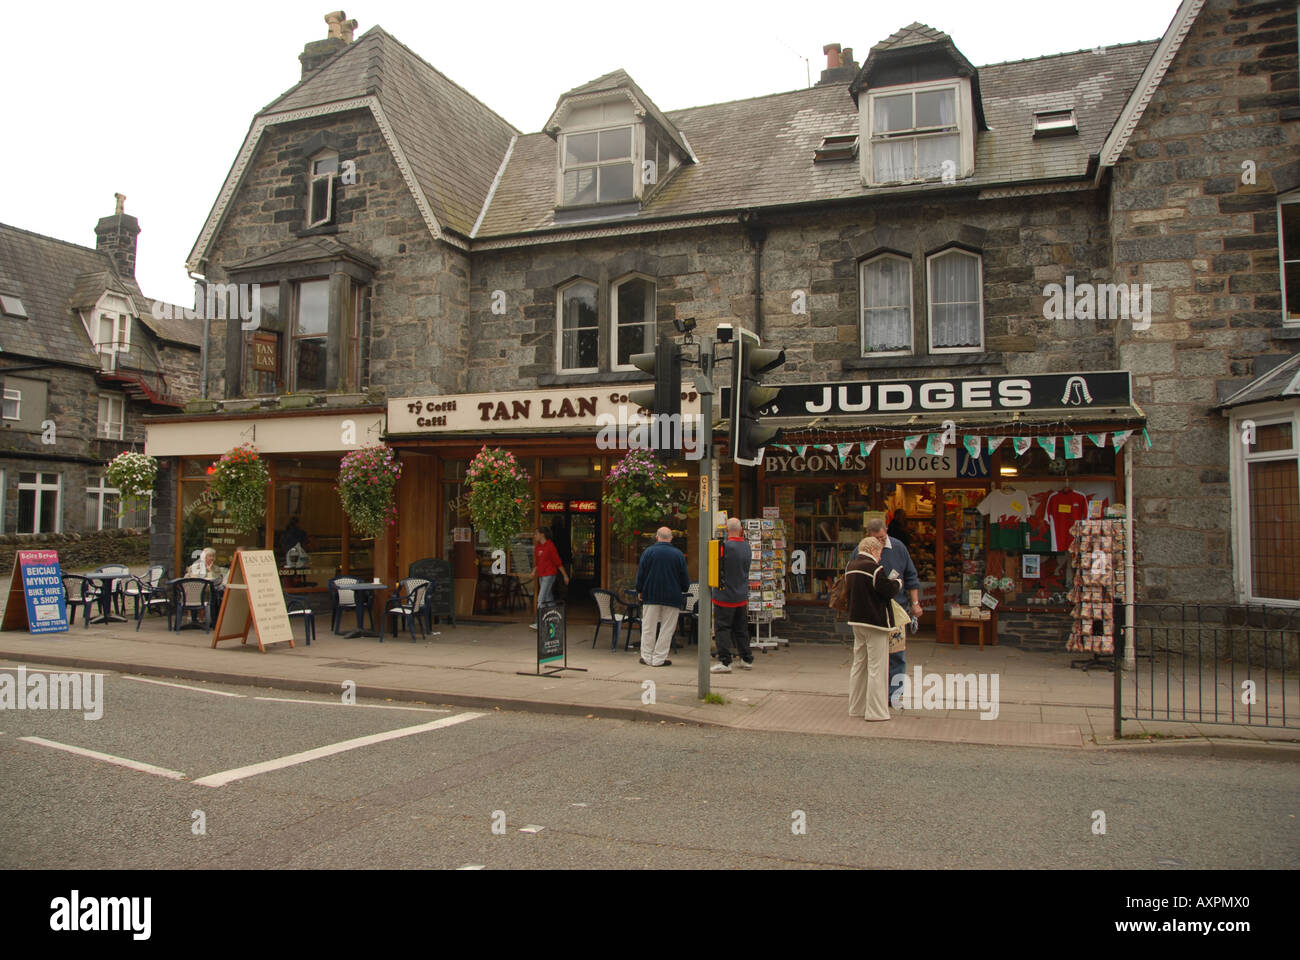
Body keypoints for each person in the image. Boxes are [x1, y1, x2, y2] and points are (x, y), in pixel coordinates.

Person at [866, 516, 922, 708]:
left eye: (882, 538)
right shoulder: (862, 550)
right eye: (876, 539)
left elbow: (911, 577)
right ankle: (876, 695)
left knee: (897, 655)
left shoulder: (898, 548)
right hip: (872, 611)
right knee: (873, 657)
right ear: (868, 536)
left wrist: (915, 604)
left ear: (887, 530)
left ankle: (896, 696)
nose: (880, 542)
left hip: (896, 610)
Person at [846, 536, 903, 721]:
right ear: (873, 551)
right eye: (879, 553)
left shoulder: (850, 566)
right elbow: (887, 590)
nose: (880, 558)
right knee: (877, 668)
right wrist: (898, 583)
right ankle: (876, 712)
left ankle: (856, 707)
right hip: (875, 623)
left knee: (859, 665)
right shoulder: (875, 569)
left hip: (856, 621)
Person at [634, 526, 690, 666]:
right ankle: (659, 658)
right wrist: (683, 589)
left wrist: (639, 590)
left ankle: (646, 657)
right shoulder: (678, 554)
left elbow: (641, 574)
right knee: (667, 628)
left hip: (651, 594)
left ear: (657, 537)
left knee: (648, 626)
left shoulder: (648, 552)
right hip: (672, 596)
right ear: (671, 538)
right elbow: (684, 578)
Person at [710, 517, 754, 673]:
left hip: (724, 595)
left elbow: (715, 567)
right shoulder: (747, 547)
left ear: (727, 531)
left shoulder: (724, 547)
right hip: (741, 595)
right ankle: (746, 658)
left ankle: (725, 661)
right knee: (741, 629)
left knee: (722, 629)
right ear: (741, 530)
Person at [526, 527, 568, 628]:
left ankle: (539, 623)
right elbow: (538, 563)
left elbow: (557, 562)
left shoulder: (550, 546)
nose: (534, 536)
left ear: (542, 535)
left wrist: (565, 575)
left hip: (549, 575)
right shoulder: (538, 547)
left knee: (541, 599)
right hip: (541, 575)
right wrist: (533, 571)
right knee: (548, 599)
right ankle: (556, 619)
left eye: (536, 533)